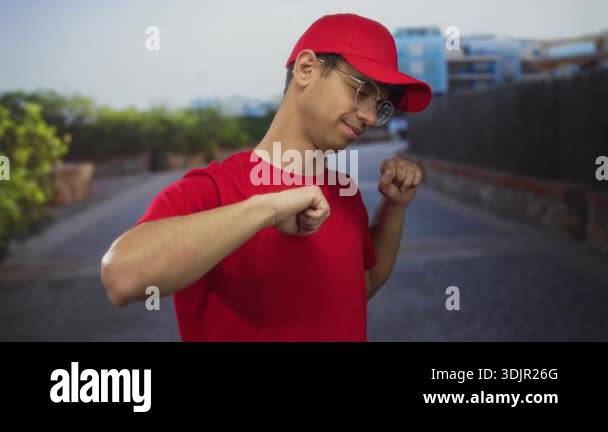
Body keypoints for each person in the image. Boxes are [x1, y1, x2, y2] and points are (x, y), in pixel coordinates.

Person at [100, 13, 431, 341]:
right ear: (306, 69)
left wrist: (394, 208)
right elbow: (122, 277)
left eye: (381, 106)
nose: (370, 117)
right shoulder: (212, 189)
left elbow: (362, 286)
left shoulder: (345, 194)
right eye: (362, 91)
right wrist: (267, 209)